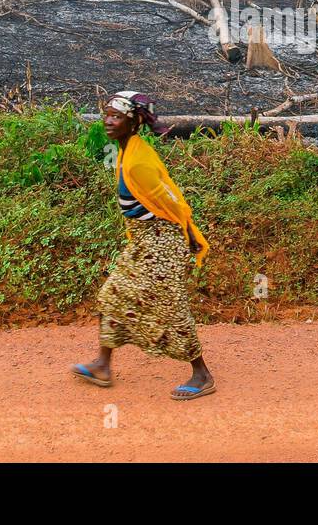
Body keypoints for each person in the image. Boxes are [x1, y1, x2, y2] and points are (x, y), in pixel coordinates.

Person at [71, 91, 216, 400]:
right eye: (107, 114)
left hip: (162, 241)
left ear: (133, 122)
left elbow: (172, 200)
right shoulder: (128, 149)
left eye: (116, 116)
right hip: (144, 239)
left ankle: (202, 375)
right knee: (111, 295)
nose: (108, 121)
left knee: (170, 307)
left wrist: (191, 236)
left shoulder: (138, 161)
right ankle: (102, 365)